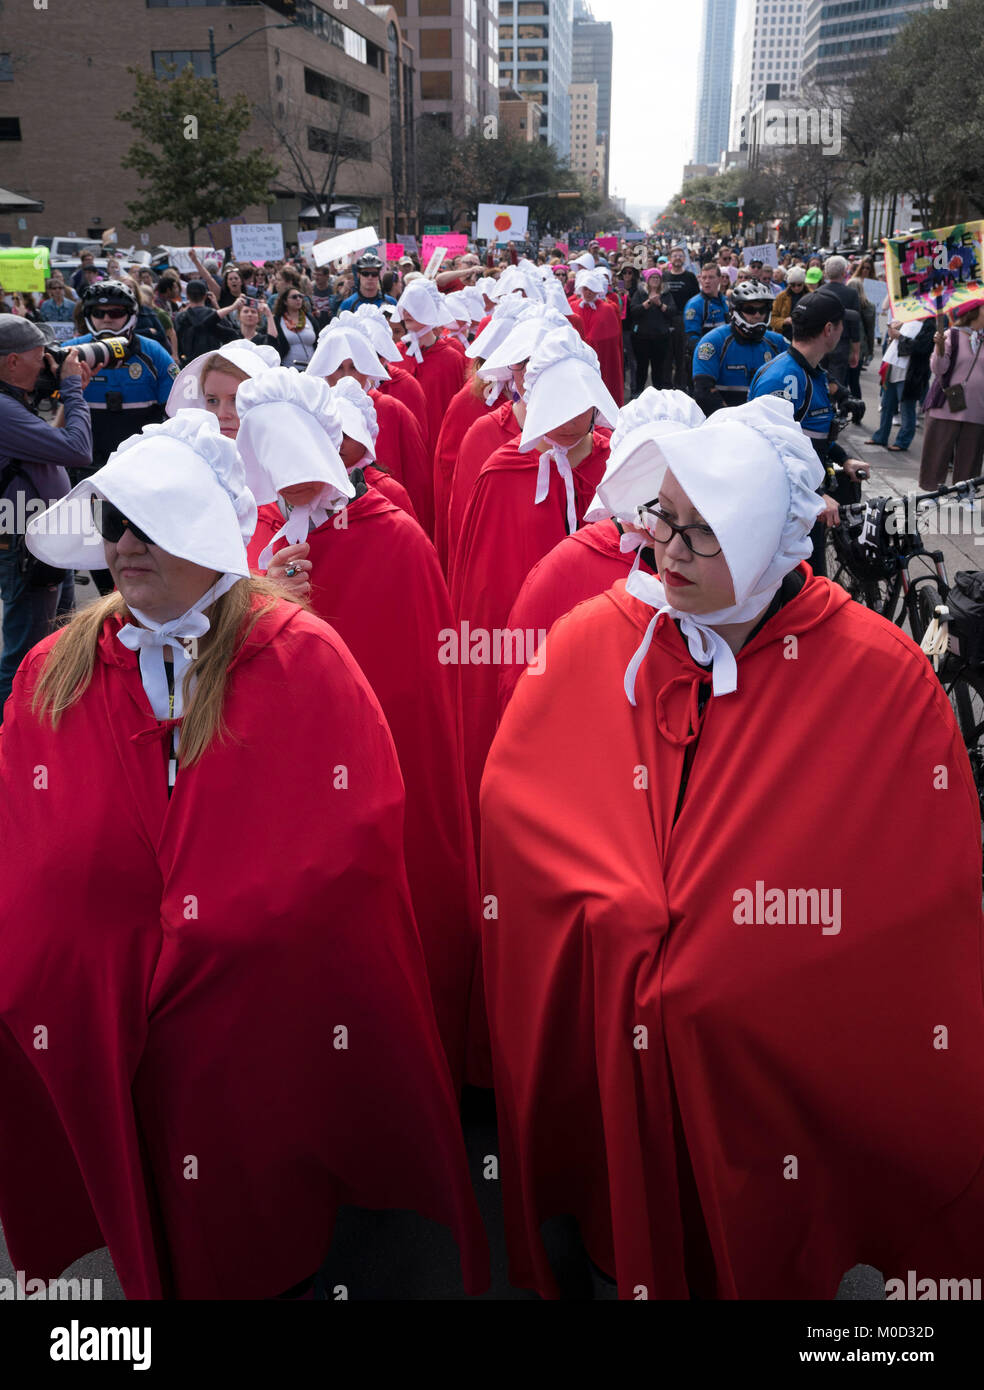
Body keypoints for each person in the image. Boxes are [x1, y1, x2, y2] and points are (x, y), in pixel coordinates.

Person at [480, 393, 984, 1300]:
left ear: (771, 542)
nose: (667, 552)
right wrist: (614, 908)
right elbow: (518, 811)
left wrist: (740, 964)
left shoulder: (876, 674)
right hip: (618, 1051)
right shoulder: (597, 639)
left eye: (703, 533)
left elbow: (914, 898)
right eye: (662, 519)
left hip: (772, 1087)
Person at [0, 410, 488, 1300]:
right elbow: (28, 849)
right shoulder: (52, 671)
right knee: (145, 1203)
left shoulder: (302, 660)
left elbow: (352, 848)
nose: (125, 546)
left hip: (252, 1031)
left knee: (258, 1225)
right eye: (113, 524)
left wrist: (223, 934)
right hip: (111, 1023)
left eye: (152, 525)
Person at [239, 370, 479, 1087]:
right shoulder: (246, 535)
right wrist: (257, 594)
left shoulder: (397, 539)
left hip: (383, 753)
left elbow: (424, 691)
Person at [450, 329, 618, 846]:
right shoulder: (502, 475)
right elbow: (481, 595)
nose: (570, 418)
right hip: (519, 656)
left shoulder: (620, 467)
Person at [0, 316, 92, 715]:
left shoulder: (12, 403)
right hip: (24, 540)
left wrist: (69, 395)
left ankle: (40, 724)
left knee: (54, 640)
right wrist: (71, 390)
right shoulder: (2, 409)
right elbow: (77, 450)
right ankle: (9, 736)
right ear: (13, 361)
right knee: (26, 648)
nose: (47, 364)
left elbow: (51, 448)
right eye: (40, 357)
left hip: (46, 538)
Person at [749, 291, 869, 575]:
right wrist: (814, 496)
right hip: (789, 510)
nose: (842, 331)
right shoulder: (784, 378)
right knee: (805, 590)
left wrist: (845, 458)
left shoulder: (814, 371)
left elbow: (809, 438)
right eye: (841, 325)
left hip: (808, 499)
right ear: (829, 330)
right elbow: (768, 453)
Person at [918, 297, 984, 490]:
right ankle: (930, 491)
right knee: (937, 452)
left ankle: (965, 493)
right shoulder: (951, 335)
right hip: (946, 405)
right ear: (974, 312)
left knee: (971, 456)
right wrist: (939, 349)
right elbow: (939, 369)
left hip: (977, 409)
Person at [692, 280, 786, 414]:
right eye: (750, 309)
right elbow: (703, 391)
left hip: (766, 421)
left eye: (762, 309)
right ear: (735, 311)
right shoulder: (713, 342)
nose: (758, 315)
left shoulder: (778, 342)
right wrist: (733, 421)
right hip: (725, 423)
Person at [866, 316, 934, 453]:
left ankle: (903, 441)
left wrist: (900, 337)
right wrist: (894, 332)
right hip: (893, 366)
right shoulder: (906, 318)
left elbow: (922, 348)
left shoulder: (929, 325)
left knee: (907, 408)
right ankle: (881, 436)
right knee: (886, 405)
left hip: (910, 372)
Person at [570, 269, 624, 407]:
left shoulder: (607, 309)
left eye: (591, 289)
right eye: (585, 289)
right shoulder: (574, 306)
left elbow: (608, 338)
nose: (588, 292)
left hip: (600, 359)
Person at [658, 246, 700, 391]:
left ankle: (681, 387)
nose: (677, 258)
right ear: (670, 258)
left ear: (684, 259)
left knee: (682, 355)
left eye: (680, 256)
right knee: (666, 355)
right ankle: (666, 387)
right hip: (666, 319)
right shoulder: (664, 276)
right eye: (674, 255)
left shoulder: (690, 277)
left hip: (684, 320)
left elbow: (696, 298)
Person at [174, 280, 240, 367]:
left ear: (187, 296)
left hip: (189, 363)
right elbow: (229, 330)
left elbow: (176, 340)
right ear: (205, 296)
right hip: (213, 361)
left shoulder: (180, 317)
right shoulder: (215, 315)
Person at [682, 263, 729, 364]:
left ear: (719, 279)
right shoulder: (694, 304)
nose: (707, 281)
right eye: (704, 277)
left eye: (711, 277)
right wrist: (709, 356)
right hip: (705, 358)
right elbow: (692, 338)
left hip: (725, 357)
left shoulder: (726, 301)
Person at [770, 266, 812, 336]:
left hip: (805, 335)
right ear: (789, 284)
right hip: (784, 335)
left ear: (803, 283)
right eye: (793, 285)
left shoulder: (811, 296)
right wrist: (784, 321)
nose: (796, 288)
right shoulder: (781, 297)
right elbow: (772, 318)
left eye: (799, 285)